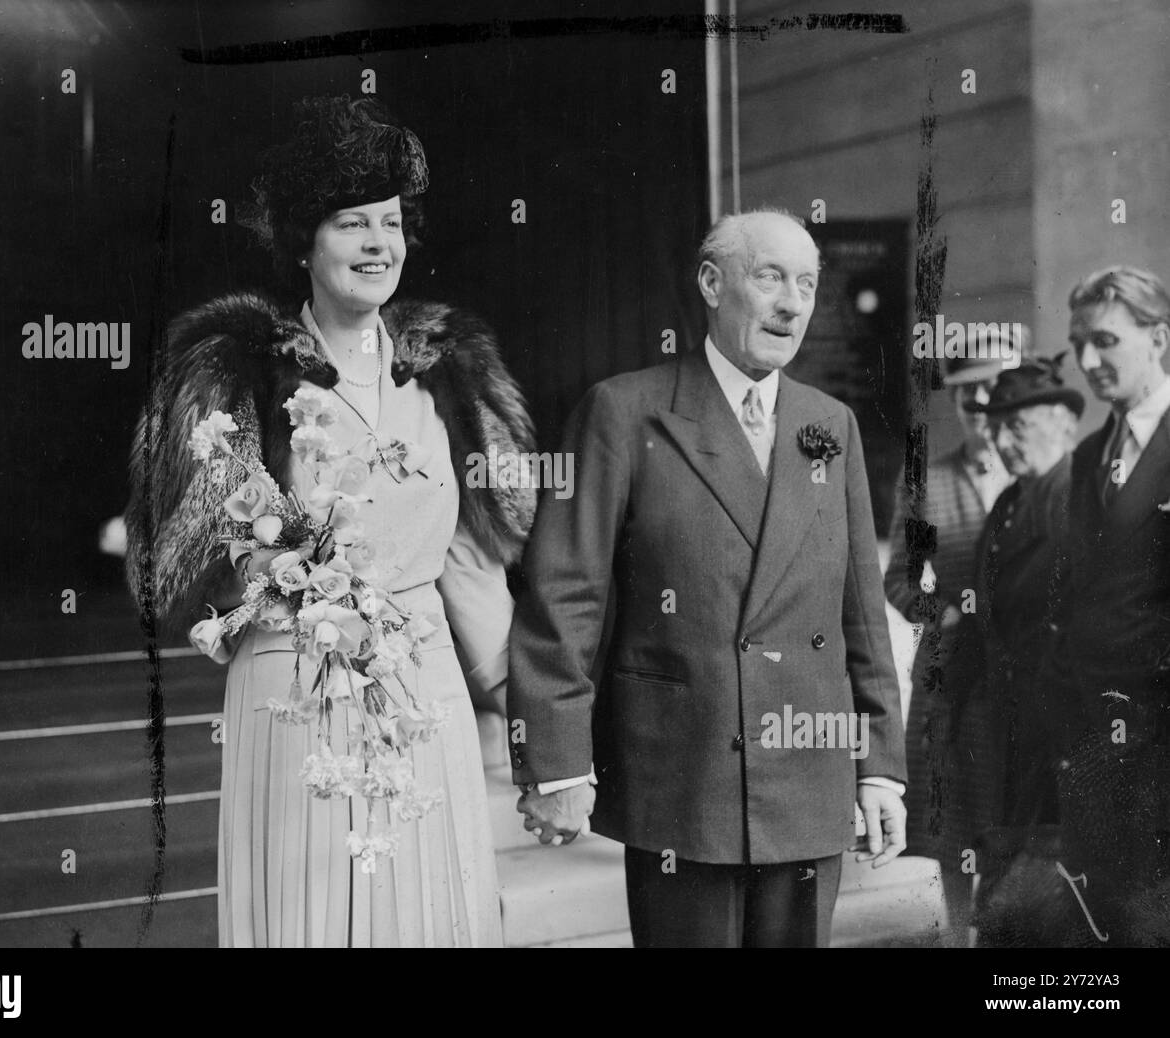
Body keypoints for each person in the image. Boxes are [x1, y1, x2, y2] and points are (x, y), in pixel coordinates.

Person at [123, 97, 536, 947]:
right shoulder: (238, 377)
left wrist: (532, 718)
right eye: (352, 223)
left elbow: (470, 560)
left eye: (390, 222)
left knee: (427, 907)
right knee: (309, 914)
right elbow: (199, 552)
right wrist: (287, 582)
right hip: (293, 687)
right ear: (303, 243)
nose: (379, 244)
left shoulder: (443, 375)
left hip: (422, 683)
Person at [506, 208, 907, 948]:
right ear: (712, 283)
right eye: (771, 277)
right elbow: (564, 593)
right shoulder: (626, 412)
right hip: (682, 783)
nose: (793, 303)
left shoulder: (831, 425)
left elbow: (861, 611)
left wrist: (880, 767)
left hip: (809, 776)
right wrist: (558, 765)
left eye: (809, 284)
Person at [941, 359, 1083, 945]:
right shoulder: (1008, 506)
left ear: (1065, 425)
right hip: (1011, 735)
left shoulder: (1082, 502)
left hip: (1066, 747)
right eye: (995, 427)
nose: (1001, 441)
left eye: (1017, 427)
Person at [1050, 265, 1170, 946]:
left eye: (1105, 341)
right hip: (1092, 749)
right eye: (1077, 347)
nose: (1088, 362)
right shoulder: (1092, 452)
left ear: (1157, 338)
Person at [882, 346, 1015, 943]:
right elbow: (901, 580)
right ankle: (961, 938)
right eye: (968, 394)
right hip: (955, 678)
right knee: (959, 823)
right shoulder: (926, 482)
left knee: (1017, 821)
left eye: (995, 390)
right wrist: (949, 615)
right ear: (956, 402)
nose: (981, 405)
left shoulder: (1043, 471)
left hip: (1024, 678)